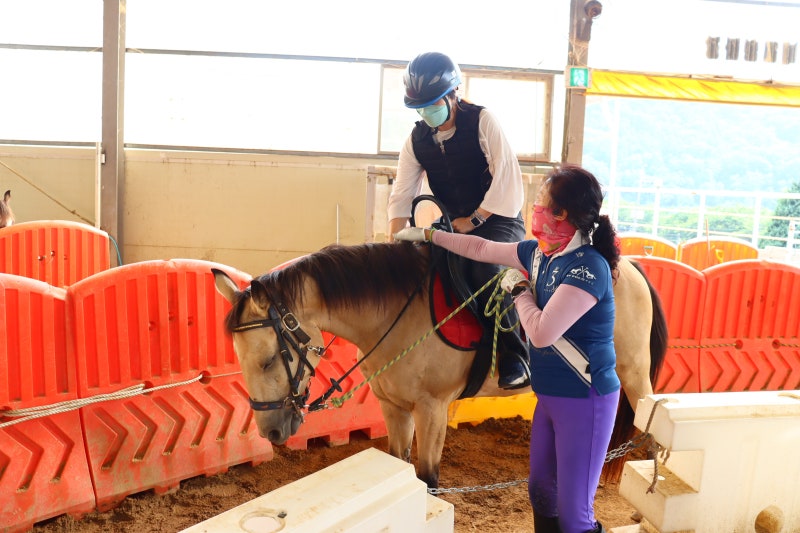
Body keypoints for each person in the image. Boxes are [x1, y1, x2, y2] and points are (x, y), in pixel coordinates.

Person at [395, 164, 620, 533]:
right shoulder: (540, 253)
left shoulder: (587, 268)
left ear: (562, 214)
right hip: (550, 396)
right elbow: (482, 247)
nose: (535, 209)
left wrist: (519, 290)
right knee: (541, 491)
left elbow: (542, 333)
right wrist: (431, 235)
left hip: (585, 398)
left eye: (542, 203)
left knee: (574, 513)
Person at [387, 51, 529, 389]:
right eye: (420, 107)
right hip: (454, 225)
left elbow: (506, 180)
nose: (427, 112)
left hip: (499, 218)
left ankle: (515, 355)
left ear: (453, 94)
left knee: (484, 269)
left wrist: (474, 220)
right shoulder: (416, 141)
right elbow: (402, 194)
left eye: (432, 104)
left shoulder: (482, 121)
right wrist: (394, 241)